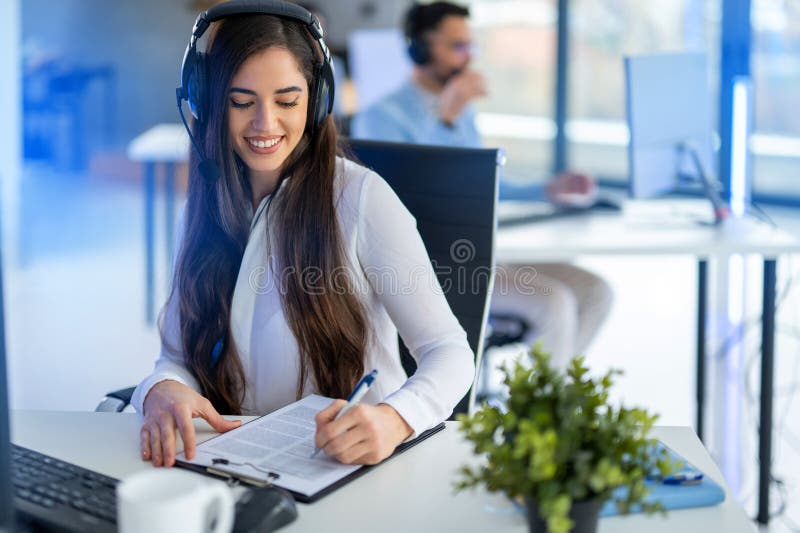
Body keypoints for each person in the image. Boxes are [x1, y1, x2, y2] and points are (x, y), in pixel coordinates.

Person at [132, 0, 474, 469]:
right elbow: (177, 356)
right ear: (209, 102)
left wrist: (395, 419)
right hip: (232, 464)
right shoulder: (204, 206)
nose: (264, 124)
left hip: (347, 469)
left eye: (287, 101)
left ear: (316, 100)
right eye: (241, 102)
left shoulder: (360, 198)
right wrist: (163, 388)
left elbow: (450, 352)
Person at [353, 1, 613, 367]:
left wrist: (546, 189)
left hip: (484, 252)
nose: (467, 57)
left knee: (595, 292)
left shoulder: (461, 111)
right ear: (421, 47)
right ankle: (534, 421)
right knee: (554, 303)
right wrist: (444, 116)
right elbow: (416, 197)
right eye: (457, 46)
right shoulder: (380, 117)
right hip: (439, 265)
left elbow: (484, 182)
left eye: (470, 46)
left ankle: (550, 405)